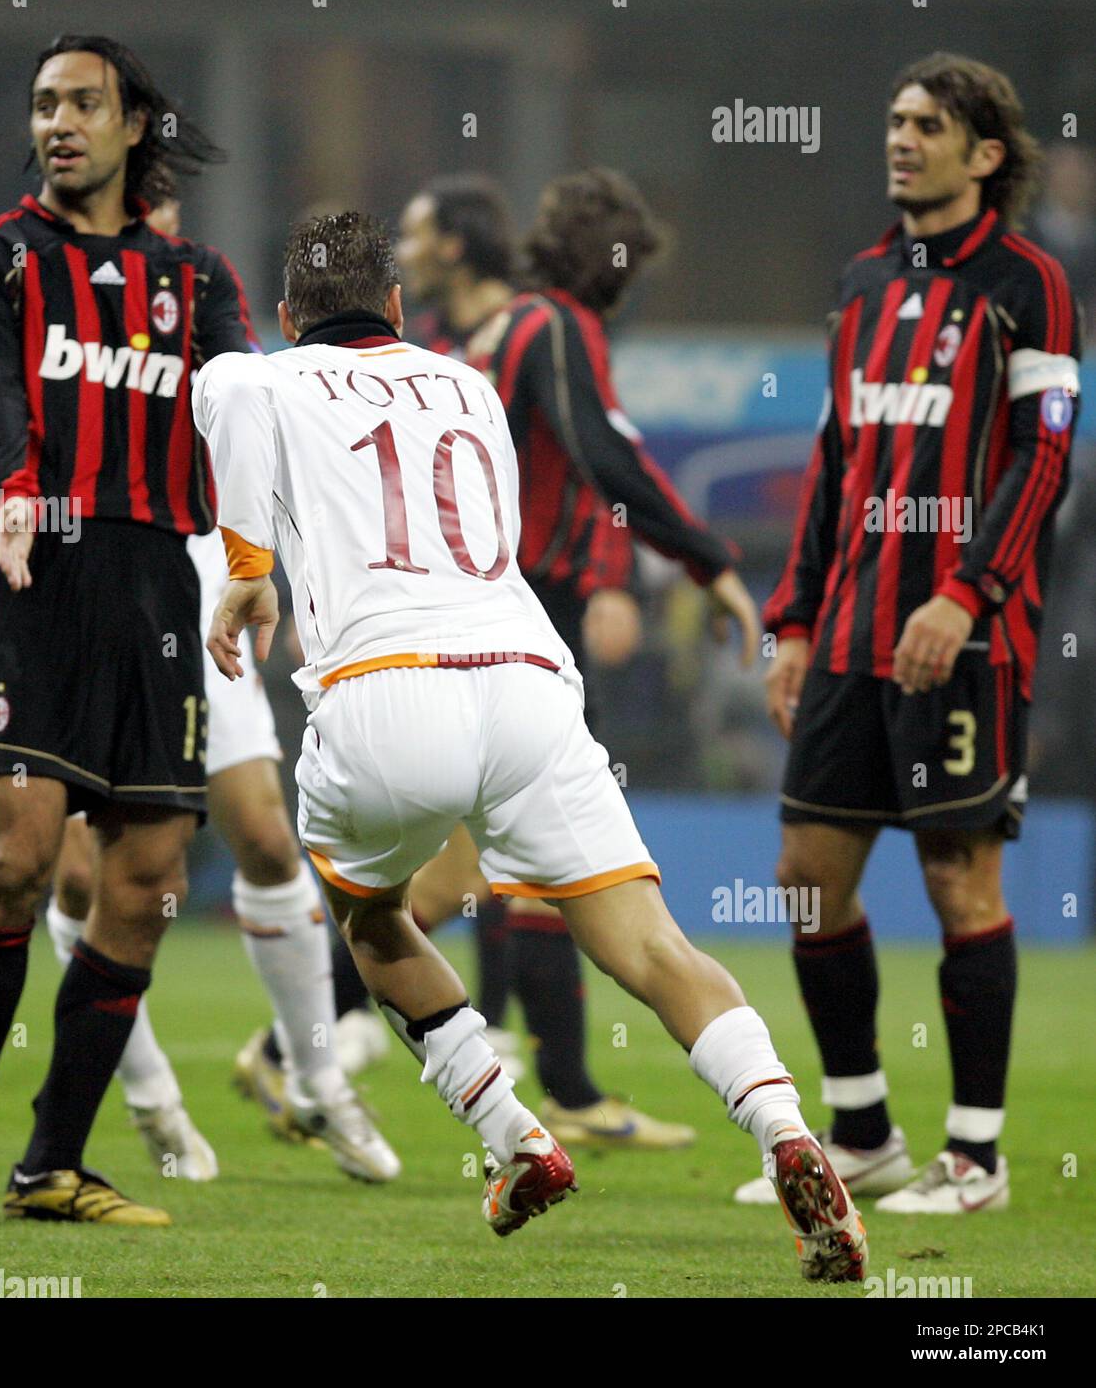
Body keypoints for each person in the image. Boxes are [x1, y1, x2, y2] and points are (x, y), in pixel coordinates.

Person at [193, 209, 866, 1280]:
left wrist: (245, 565)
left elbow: (220, 391)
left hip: (383, 693)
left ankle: (515, 1136)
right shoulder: (464, 383)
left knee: (372, 921)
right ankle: (787, 1129)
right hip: (526, 685)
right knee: (654, 949)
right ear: (402, 310)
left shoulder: (261, 377)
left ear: (284, 315)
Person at [0, 197, 397, 1188]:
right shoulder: (24, 297)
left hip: (190, 578)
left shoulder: (194, 298)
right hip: (63, 596)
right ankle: (148, 1095)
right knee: (75, 875)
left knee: (260, 832)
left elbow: (261, 440)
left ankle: (318, 1079)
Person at [0, 33, 254, 1227]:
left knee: (143, 882)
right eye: (43, 104)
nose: (58, 122)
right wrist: (11, 489)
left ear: (134, 123)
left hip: (160, 587)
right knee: (13, 862)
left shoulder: (200, 281)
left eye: (83, 102)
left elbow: (242, 427)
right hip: (40, 575)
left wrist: (252, 563)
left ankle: (53, 1164)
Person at [740, 53, 1081, 1215]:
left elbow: (1045, 454)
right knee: (804, 878)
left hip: (965, 639)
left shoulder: (1026, 283)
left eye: (925, 124)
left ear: (982, 154)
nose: (900, 138)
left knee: (955, 878)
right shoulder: (860, 282)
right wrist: (791, 616)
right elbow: (834, 467)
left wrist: (967, 591)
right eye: (891, 119)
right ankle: (862, 1129)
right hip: (846, 636)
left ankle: (973, 1158)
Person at [454, 168, 761, 1148]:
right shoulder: (556, 327)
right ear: (606, 260)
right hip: (517, 611)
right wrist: (705, 559)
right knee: (529, 856)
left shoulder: (519, 326)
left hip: (491, 609)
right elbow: (603, 457)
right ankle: (317, 1042)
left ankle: (564, 1085)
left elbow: (588, 458)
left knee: (501, 860)